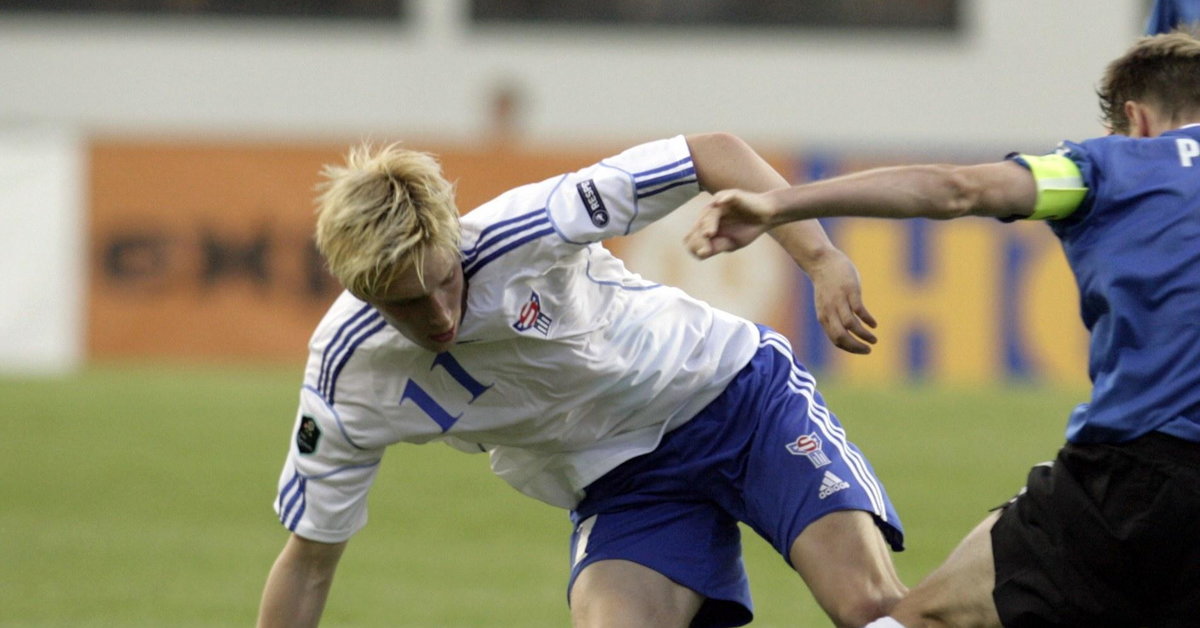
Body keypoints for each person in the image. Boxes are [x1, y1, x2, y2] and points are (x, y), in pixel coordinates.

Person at [256, 131, 907, 627]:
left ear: (454, 239)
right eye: (406, 304)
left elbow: (713, 153)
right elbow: (309, 563)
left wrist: (821, 260)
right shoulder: (347, 375)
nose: (441, 315)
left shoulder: (531, 226)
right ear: (358, 292)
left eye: (445, 280)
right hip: (622, 483)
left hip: (736, 399)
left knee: (869, 608)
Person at [685, 30, 1200, 628]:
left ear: (1135, 119)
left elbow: (956, 190)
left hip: (1132, 477)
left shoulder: (1111, 165)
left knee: (922, 618)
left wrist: (779, 205)